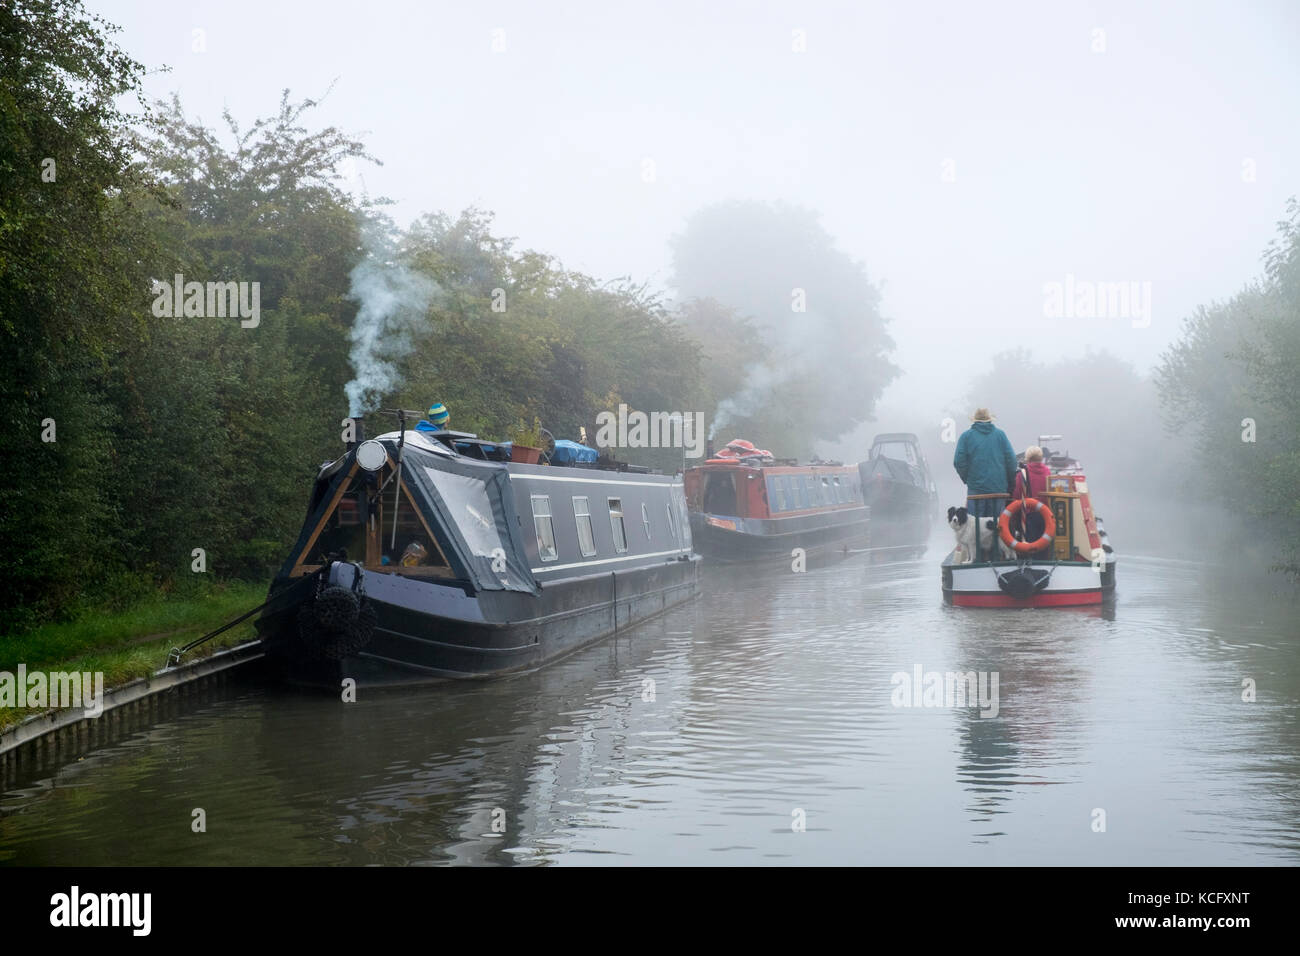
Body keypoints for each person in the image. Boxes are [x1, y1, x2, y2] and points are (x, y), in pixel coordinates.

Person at [952, 408, 1018, 518]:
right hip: (998, 489)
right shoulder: (1001, 435)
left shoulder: (966, 437)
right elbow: (1012, 460)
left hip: (976, 491)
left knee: (976, 528)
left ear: (975, 421)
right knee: (997, 527)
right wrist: (1009, 481)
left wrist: (967, 479)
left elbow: (958, 462)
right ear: (990, 420)